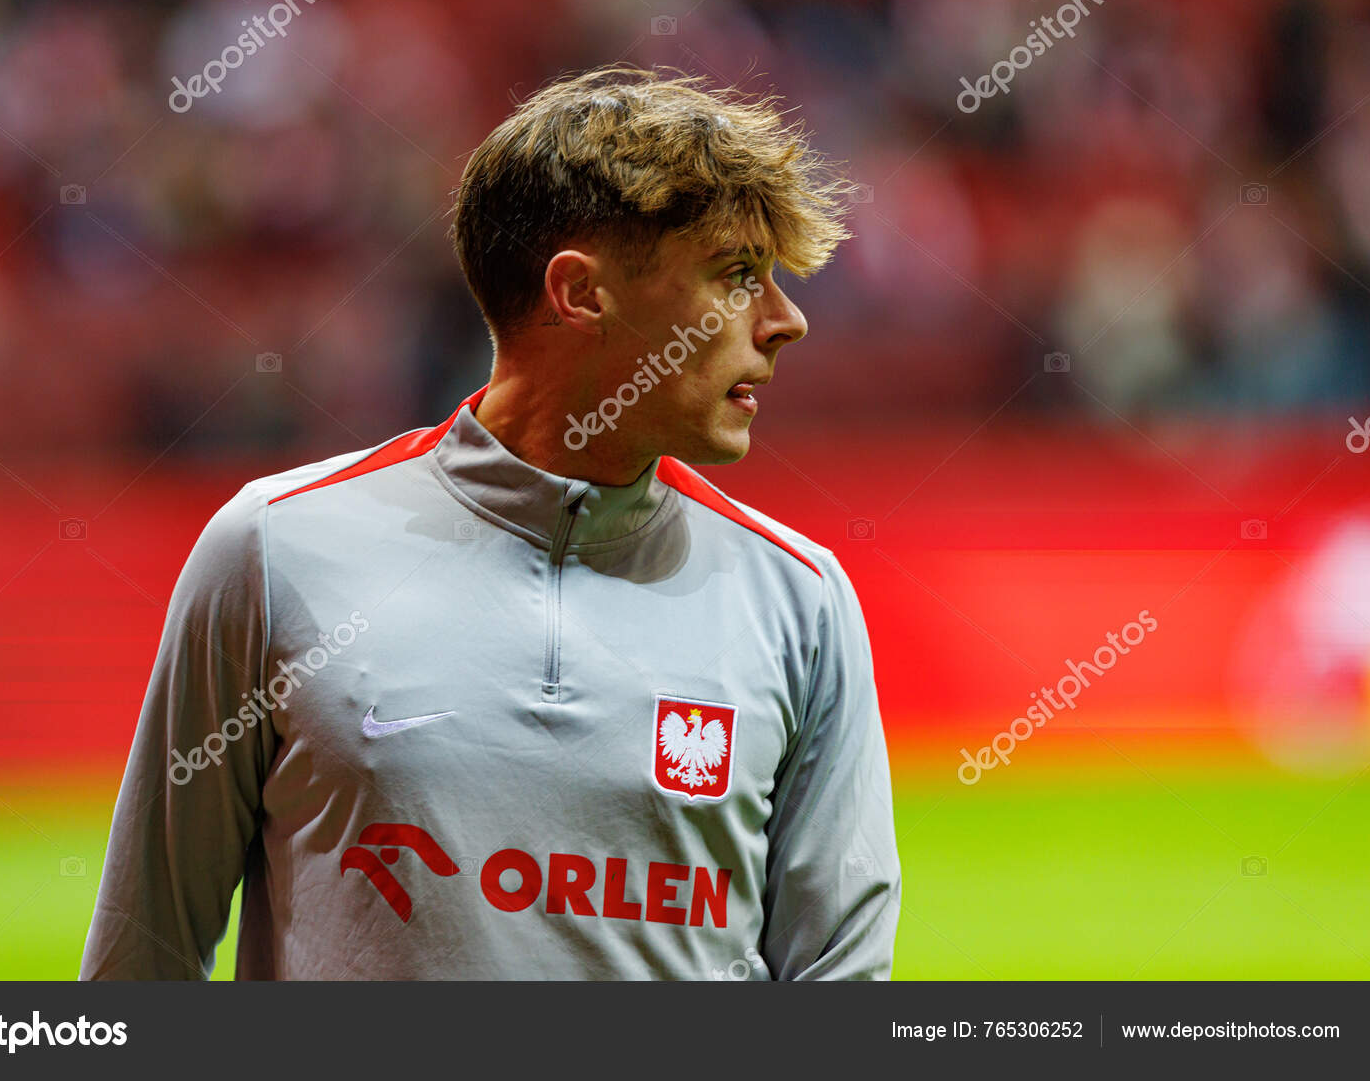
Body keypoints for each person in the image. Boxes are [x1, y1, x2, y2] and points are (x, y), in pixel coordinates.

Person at [79, 65, 900, 980]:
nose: (785, 321)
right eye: (736, 274)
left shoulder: (801, 597)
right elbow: (139, 962)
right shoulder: (273, 549)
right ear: (581, 293)